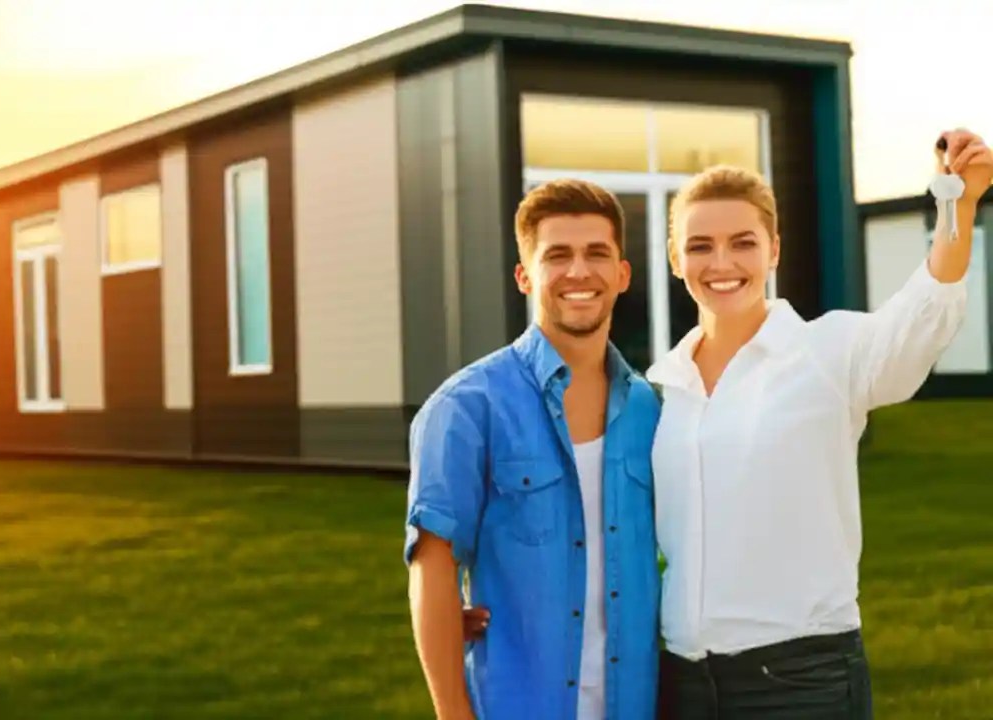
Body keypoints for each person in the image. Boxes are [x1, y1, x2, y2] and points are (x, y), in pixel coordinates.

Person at [646, 128, 990, 718]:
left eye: (742, 243)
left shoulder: (827, 351)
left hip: (800, 683)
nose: (721, 263)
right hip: (681, 684)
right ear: (676, 258)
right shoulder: (661, 386)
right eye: (700, 245)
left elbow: (923, 314)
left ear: (774, 250)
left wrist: (956, 204)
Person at [404, 178, 663, 720]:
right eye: (557, 256)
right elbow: (431, 571)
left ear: (622, 273)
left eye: (597, 253)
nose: (578, 272)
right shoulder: (465, 408)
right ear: (525, 276)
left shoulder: (649, 409)